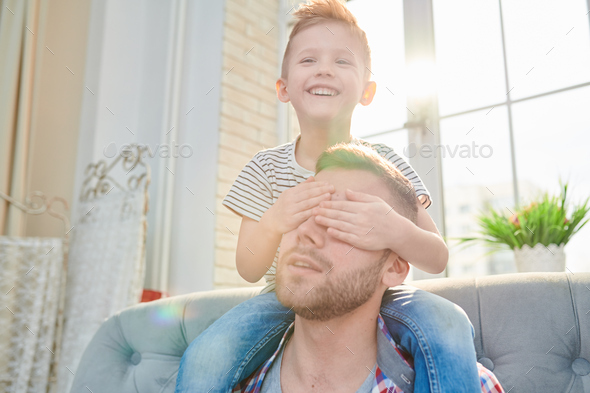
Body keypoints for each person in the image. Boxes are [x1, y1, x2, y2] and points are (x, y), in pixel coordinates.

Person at [175, 1, 480, 392]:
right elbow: (249, 268)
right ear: (283, 89)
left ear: (367, 91)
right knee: (207, 354)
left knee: (448, 321)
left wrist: (391, 228)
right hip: (284, 302)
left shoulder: (386, 164)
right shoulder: (264, 168)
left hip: (373, 298)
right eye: (308, 60)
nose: (324, 69)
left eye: (342, 61)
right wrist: (273, 221)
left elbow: (436, 257)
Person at [231, 144, 504, 392]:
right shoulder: (232, 383)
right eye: (303, 210)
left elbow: (436, 255)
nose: (306, 232)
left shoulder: (469, 383)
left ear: (395, 268)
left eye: (346, 220)